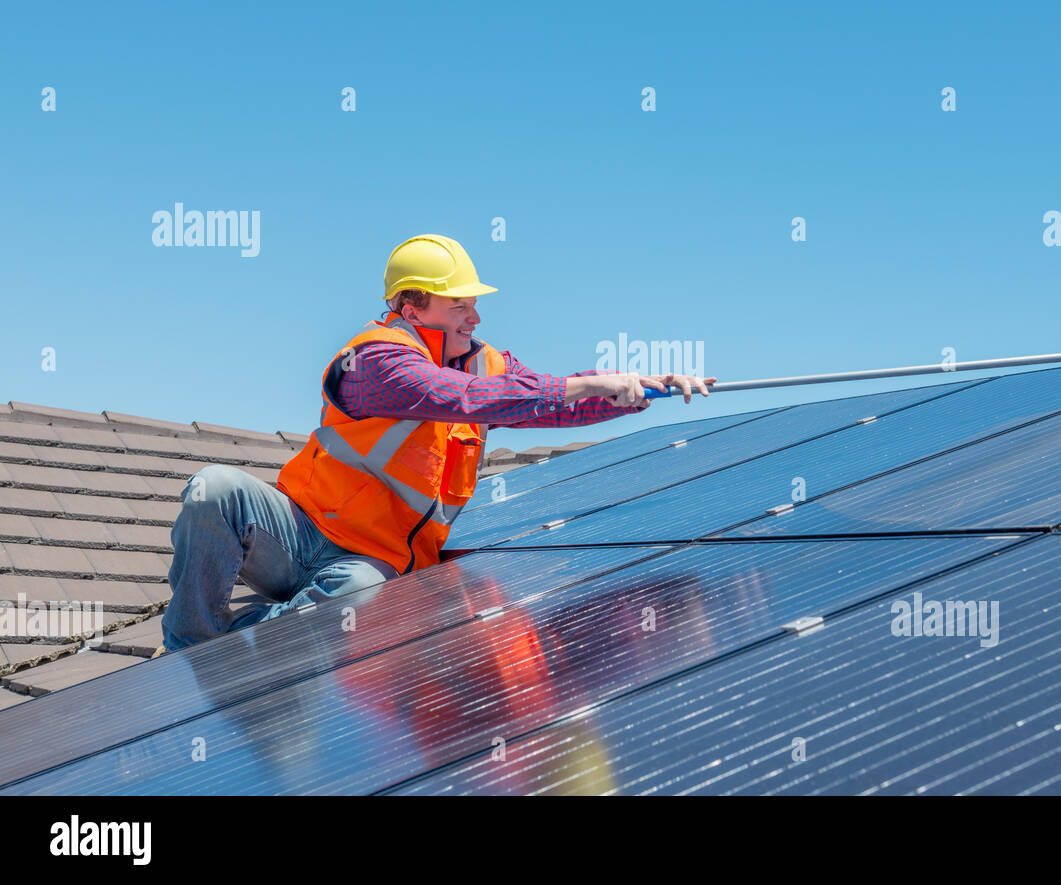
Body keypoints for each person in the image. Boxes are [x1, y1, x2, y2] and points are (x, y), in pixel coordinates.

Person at [160, 234, 715, 651]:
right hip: (295, 529)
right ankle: (190, 644)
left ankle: (230, 650)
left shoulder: (487, 367)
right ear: (411, 307)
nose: (476, 316)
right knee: (215, 489)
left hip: (370, 562)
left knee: (350, 606)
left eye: (474, 304)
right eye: (459, 306)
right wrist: (590, 381)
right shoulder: (375, 358)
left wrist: (641, 390)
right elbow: (459, 396)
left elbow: (539, 400)